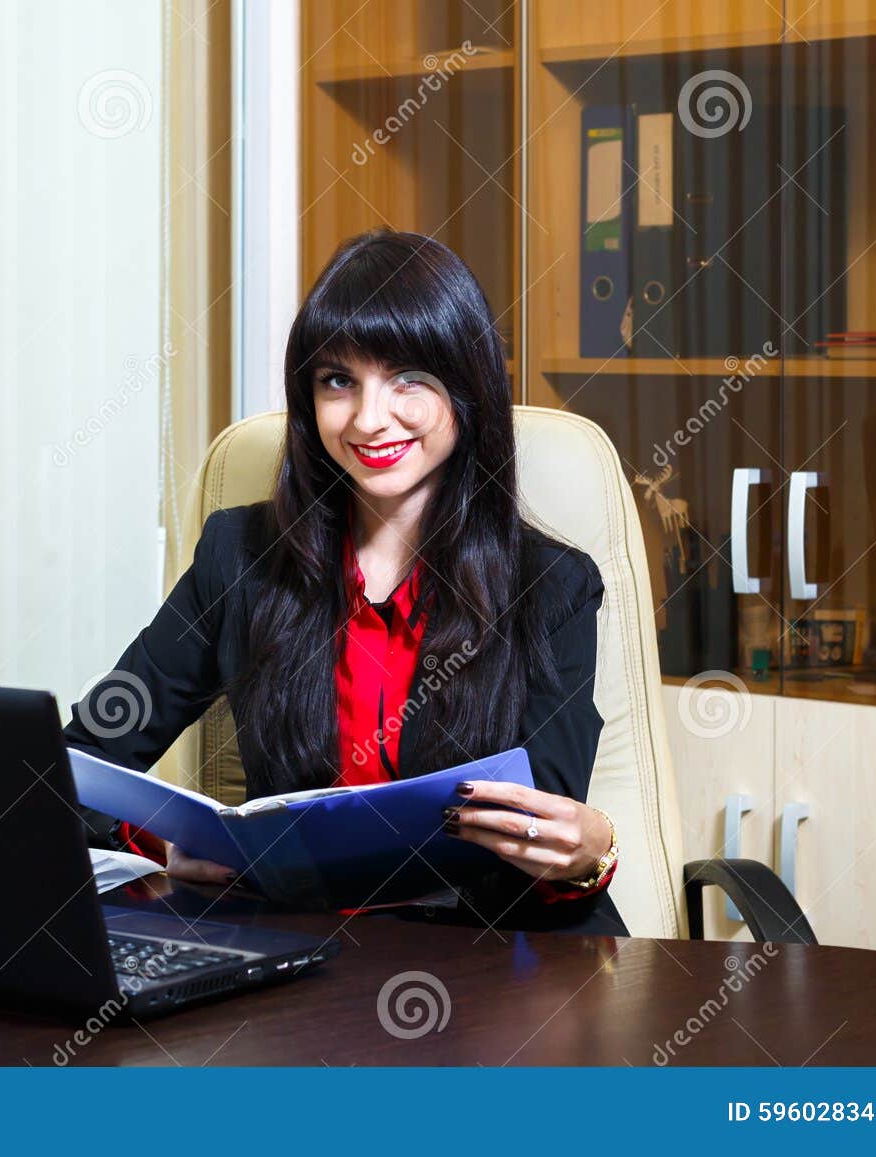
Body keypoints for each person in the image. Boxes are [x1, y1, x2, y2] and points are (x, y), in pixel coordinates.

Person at [65, 228, 624, 935]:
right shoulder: (240, 558)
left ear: (468, 390)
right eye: (339, 381)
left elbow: (548, 848)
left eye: (409, 378)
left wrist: (591, 852)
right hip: (297, 952)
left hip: (490, 958)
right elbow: (77, 764)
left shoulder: (551, 586)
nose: (368, 419)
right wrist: (161, 844)